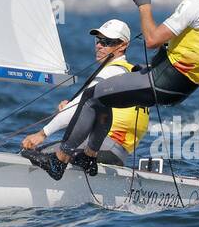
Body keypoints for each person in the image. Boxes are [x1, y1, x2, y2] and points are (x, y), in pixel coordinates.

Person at [30, 0, 199, 179]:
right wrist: (152, 67)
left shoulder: (197, 2)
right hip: (181, 88)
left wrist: (144, 5)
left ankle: (59, 161)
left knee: (90, 98)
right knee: (104, 99)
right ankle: (89, 157)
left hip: (164, 81)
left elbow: (151, 40)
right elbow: (197, 52)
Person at [21, 19, 150, 180]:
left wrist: (42, 134)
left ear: (122, 45)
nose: (99, 46)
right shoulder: (131, 72)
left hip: (103, 146)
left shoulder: (111, 72)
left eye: (107, 42)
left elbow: (79, 107)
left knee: (29, 154)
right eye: (98, 41)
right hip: (119, 153)